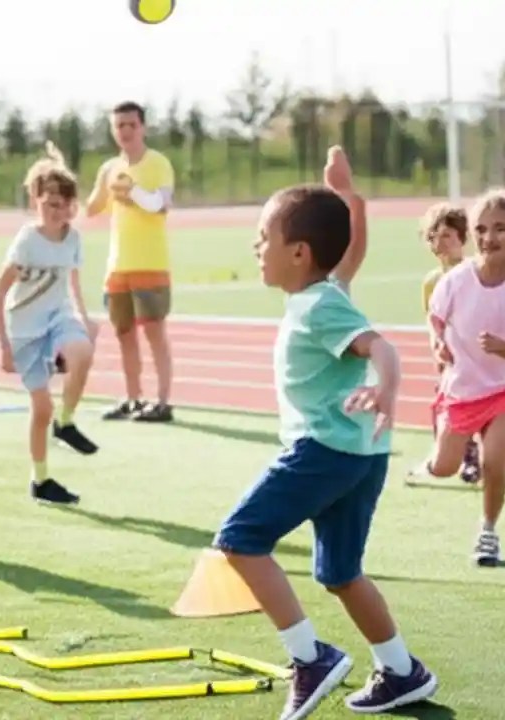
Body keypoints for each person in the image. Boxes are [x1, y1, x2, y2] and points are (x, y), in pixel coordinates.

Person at [212, 148, 438, 719]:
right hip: (363, 455)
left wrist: (387, 387)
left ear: (298, 252)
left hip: (324, 451)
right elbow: (352, 248)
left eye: (263, 237)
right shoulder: (327, 289)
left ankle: (309, 657)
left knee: (240, 538)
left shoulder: (318, 306)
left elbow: (380, 345)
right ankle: (402, 670)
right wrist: (348, 196)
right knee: (340, 572)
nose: (255, 247)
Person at [409, 189, 505, 568]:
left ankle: (488, 532)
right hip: (461, 390)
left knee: (494, 462)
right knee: (446, 467)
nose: (489, 237)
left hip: (502, 390)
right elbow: (435, 320)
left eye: (500, 228)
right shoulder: (455, 281)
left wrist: (502, 346)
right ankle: (429, 465)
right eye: (481, 229)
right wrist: (437, 345)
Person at [0, 142, 99, 506]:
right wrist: (4, 345)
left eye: (65, 205)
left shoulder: (73, 239)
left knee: (82, 349)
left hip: (58, 318)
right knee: (41, 409)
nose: (58, 212)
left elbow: (74, 283)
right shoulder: (27, 242)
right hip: (23, 329)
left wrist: (85, 318)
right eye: (50, 204)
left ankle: (66, 423)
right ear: (37, 201)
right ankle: (40, 479)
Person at [84, 101, 177, 423]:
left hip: (150, 262)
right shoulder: (109, 168)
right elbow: (92, 207)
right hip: (117, 264)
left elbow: (160, 205)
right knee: (124, 334)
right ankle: (133, 398)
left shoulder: (157, 163)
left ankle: (163, 401)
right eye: (119, 126)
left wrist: (134, 191)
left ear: (143, 128)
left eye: (130, 125)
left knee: (154, 332)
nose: (124, 131)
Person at [415, 202, 481, 485]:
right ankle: (454, 458)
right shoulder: (431, 281)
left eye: (446, 236)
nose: (438, 243)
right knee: (443, 407)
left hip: (474, 356)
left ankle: (472, 458)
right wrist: (437, 346)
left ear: (462, 238)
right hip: (448, 359)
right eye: (433, 237)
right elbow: (432, 320)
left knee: (473, 407)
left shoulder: (474, 273)